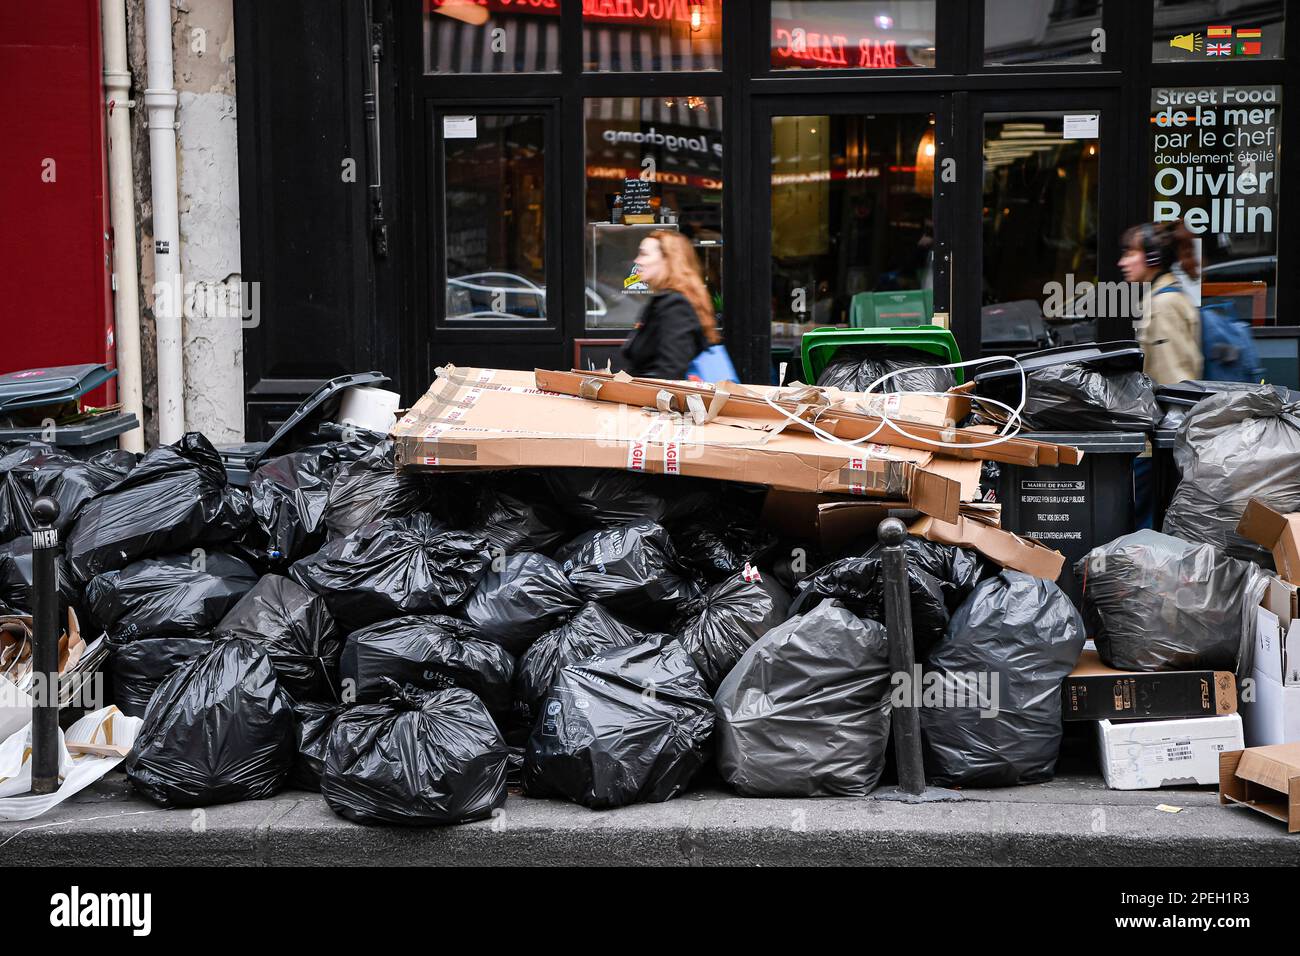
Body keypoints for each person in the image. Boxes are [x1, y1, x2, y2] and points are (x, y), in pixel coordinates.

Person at [619, 230, 721, 380]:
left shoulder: (675, 305)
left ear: (668, 260)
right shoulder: (665, 301)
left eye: (644, 254)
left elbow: (672, 371)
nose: (637, 260)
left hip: (657, 401)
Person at [1119, 220, 1203, 386]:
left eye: (1130, 254)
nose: (1122, 262)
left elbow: (1176, 381)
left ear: (1152, 257)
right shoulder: (1160, 298)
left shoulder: (1164, 305)